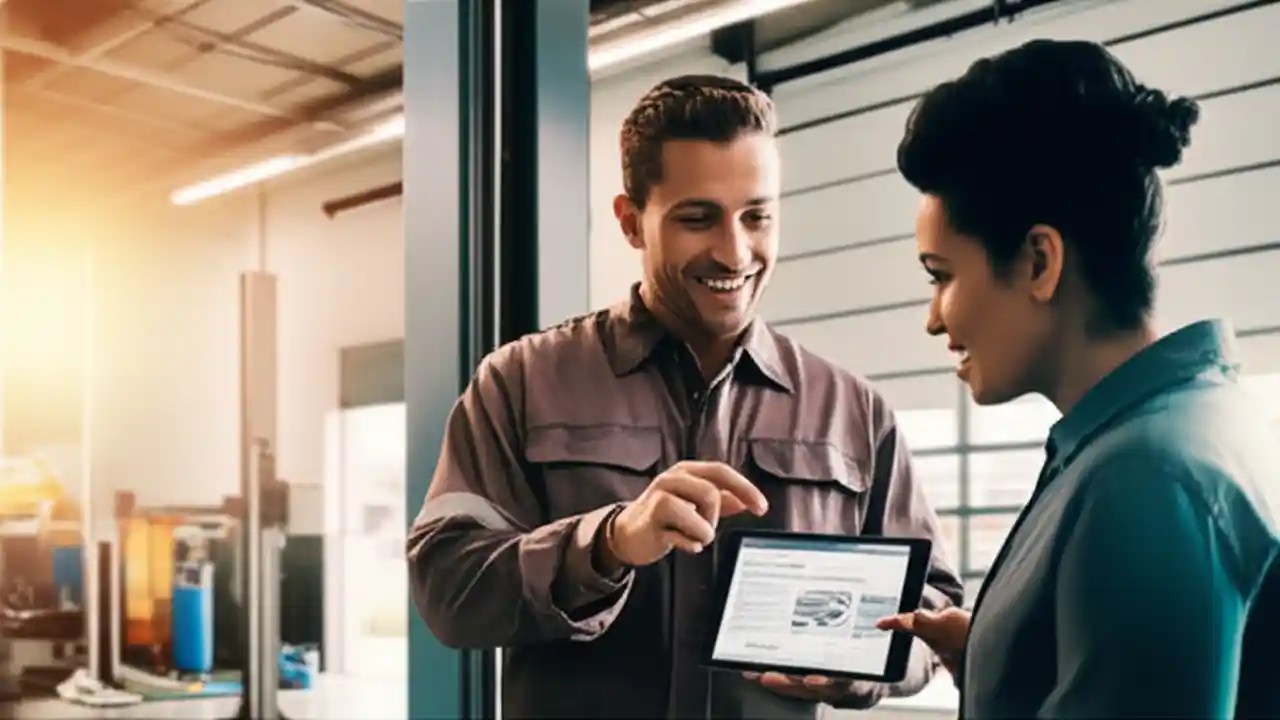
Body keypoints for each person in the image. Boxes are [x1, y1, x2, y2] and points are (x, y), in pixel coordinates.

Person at [406, 74, 964, 719]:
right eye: (697, 218)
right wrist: (606, 543)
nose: (734, 252)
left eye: (757, 217)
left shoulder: (853, 413)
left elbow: (931, 613)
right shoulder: (521, 382)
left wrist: (860, 669)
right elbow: (447, 588)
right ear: (630, 222)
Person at [876, 39, 1280, 718]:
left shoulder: (1146, 478)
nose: (933, 320)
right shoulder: (1185, 424)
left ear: (1039, 262)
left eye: (941, 276)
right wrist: (1000, 658)